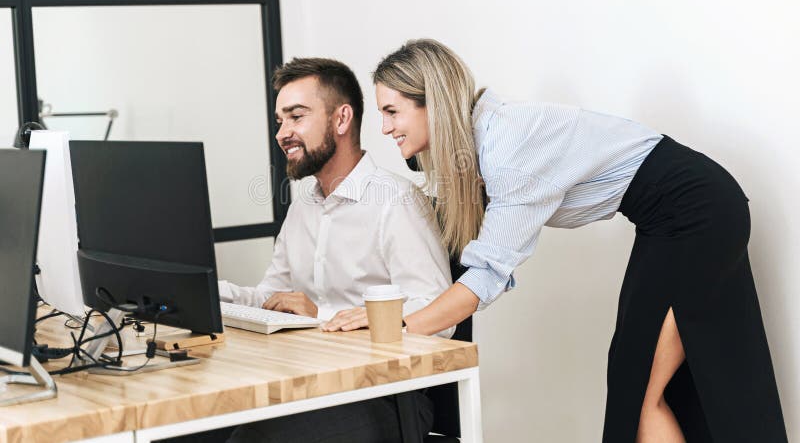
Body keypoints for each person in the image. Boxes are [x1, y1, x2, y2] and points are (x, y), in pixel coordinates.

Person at [323, 39, 787, 442]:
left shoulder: (507, 148)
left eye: (391, 111)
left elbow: (486, 276)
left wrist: (393, 328)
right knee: (659, 386)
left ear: (433, 103)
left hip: (695, 214)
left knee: (638, 389)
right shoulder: (481, 141)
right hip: (676, 218)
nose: (384, 128)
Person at [221, 57, 454, 443]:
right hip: (312, 384)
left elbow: (437, 313)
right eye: (280, 121)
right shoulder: (302, 208)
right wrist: (211, 297)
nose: (282, 133)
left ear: (341, 120)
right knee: (195, 431)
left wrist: (321, 315)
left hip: (382, 397)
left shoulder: (396, 202)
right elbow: (270, 298)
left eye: (296, 117)